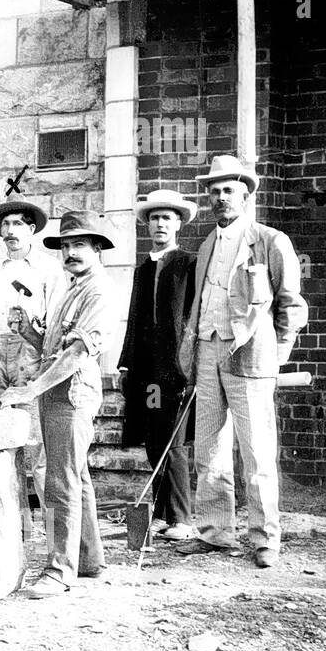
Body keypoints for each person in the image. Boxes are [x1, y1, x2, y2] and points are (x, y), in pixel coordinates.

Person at [175, 156, 307, 569]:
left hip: (251, 358)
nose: (220, 198)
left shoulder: (270, 240)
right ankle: (215, 533)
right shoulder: (206, 245)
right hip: (207, 353)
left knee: (257, 452)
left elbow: (291, 305)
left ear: (246, 196)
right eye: (214, 192)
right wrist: (194, 351)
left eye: (228, 191)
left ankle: (265, 538)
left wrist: (277, 352)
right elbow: (199, 305)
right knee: (209, 450)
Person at [1, 211, 120, 598]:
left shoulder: (99, 290)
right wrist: (31, 332)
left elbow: (76, 355)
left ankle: (58, 569)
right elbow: (53, 349)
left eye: (79, 244)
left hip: (71, 395)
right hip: (57, 393)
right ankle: (88, 560)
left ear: (98, 247)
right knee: (76, 477)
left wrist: (32, 389)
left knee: (59, 480)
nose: (70, 252)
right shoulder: (72, 287)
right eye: (65, 245)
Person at [117, 190, 199, 541]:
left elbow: (193, 317)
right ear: (147, 224)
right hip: (148, 377)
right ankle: (162, 513)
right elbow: (134, 319)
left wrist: (190, 366)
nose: (160, 223)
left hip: (175, 374)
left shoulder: (188, 265)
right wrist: (125, 365)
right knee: (153, 438)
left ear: (178, 223)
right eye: (154, 218)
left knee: (174, 442)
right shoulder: (143, 268)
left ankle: (182, 517)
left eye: (167, 217)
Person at [0, 196, 61, 533]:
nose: (11, 231)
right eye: (5, 225)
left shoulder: (48, 269)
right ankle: (17, 525)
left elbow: (55, 321)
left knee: (37, 447)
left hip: (31, 351)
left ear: (31, 230)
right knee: (2, 443)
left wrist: (43, 354)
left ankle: (55, 528)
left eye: (17, 225)